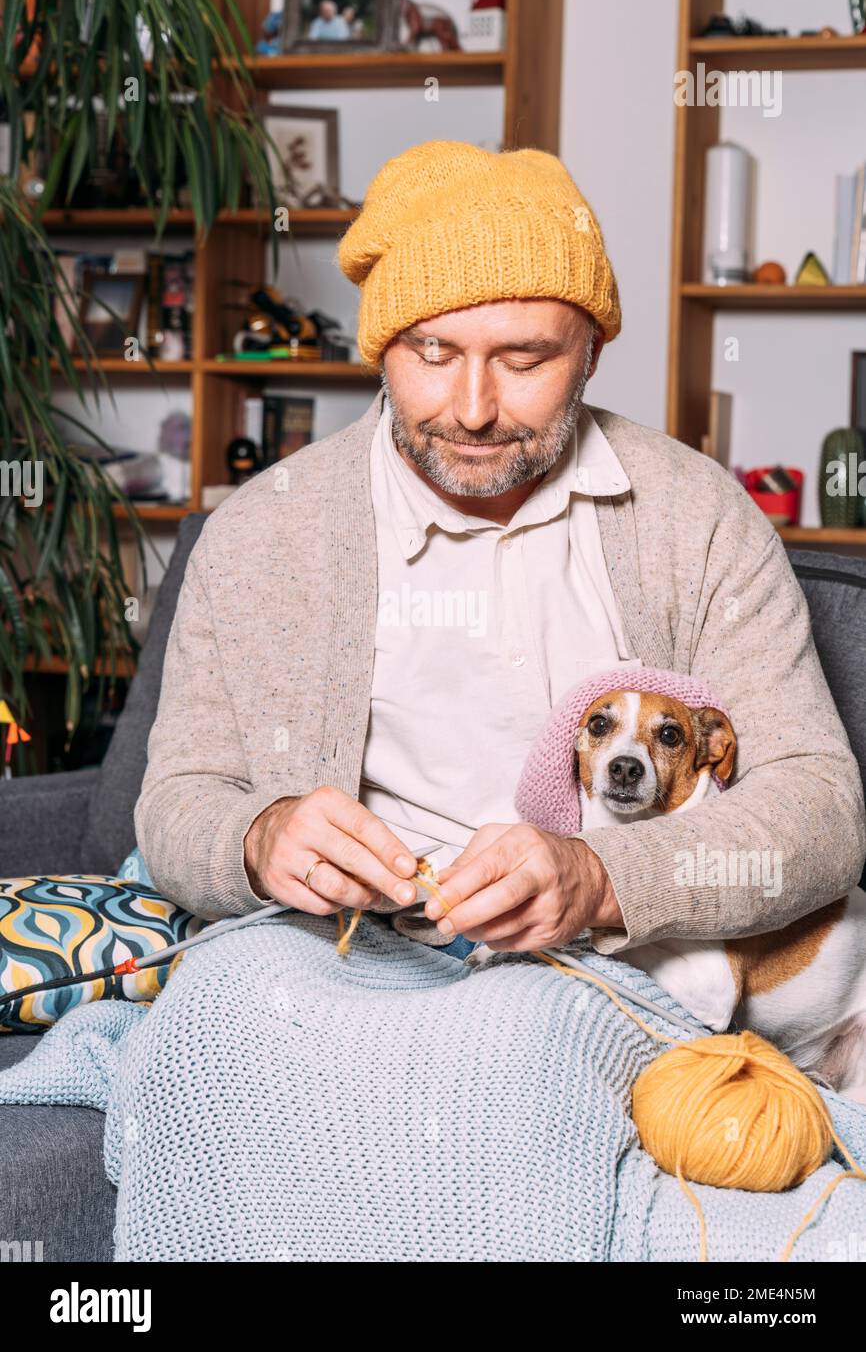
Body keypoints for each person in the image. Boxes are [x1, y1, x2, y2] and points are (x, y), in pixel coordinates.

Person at [135, 139, 865, 966]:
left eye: (525, 360)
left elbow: (823, 812)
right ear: (380, 349)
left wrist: (601, 878)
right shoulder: (262, 534)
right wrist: (256, 838)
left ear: (592, 350)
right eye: (432, 353)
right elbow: (177, 803)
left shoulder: (697, 518)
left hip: (612, 967)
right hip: (344, 955)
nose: (474, 410)